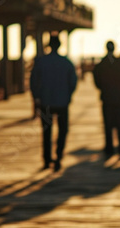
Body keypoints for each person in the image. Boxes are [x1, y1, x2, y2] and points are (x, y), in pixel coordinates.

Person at [29, 34, 77, 171]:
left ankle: (46, 159)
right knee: (63, 130)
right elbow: (73, 82)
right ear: (60, 46)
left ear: (49, 45)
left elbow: (33, 81)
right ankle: (59, 156)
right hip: (62, 103)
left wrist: (36, 97)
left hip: (46, 102)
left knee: (46, 132)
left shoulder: (41, 62)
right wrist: (68, 95)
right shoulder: (66, 62)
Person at [92, 41, 120, 157]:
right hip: (119, 98)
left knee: (108, 124)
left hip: (107, 98)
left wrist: (104, 88)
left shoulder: (101, 64)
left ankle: (109, 148)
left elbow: (97, 81)